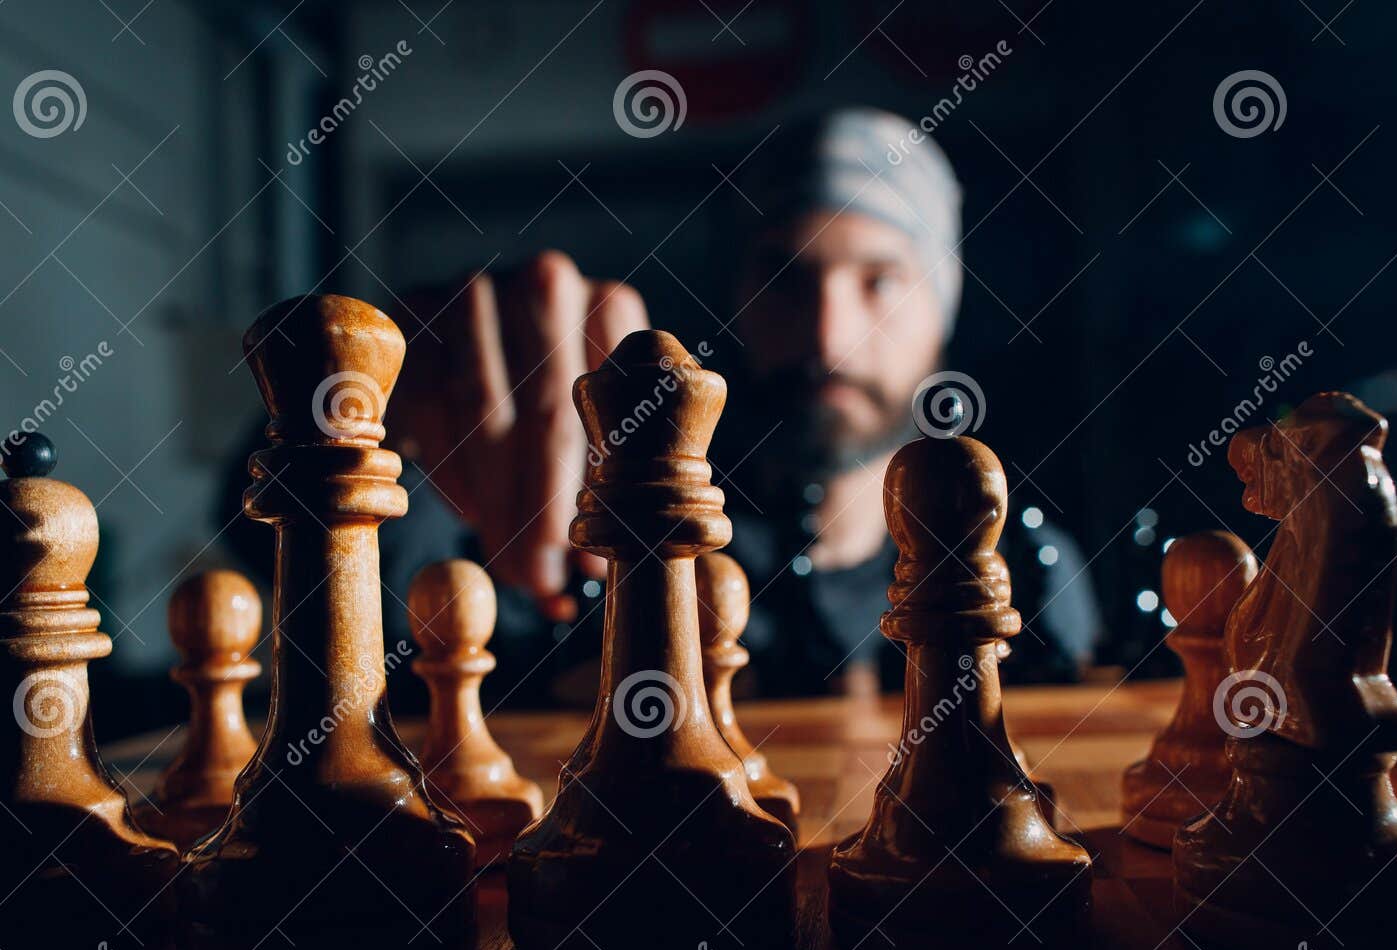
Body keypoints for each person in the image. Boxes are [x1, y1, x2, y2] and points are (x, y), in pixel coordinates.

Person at [230, 109, 1100, 707]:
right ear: (739, 297)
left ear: (942, 307)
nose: (830, 332)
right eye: (786, 276)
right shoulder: (605, 560)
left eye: (880, 280)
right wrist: (364, 419)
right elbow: (300, 569)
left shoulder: (1030, 567)